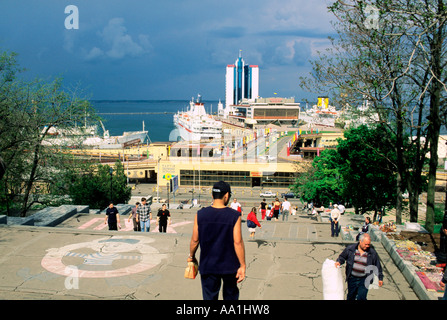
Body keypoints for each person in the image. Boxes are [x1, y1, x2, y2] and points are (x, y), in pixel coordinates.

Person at [188, 181, 246, 300]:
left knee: (209, 297)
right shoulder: (234, 216)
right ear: (226, 196)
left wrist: (191, 256)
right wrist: (242, 265)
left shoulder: (200, 214)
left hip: (208, 265)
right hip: (229, 267)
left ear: (212, 195)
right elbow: (238, 242)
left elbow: (195, 240)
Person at [335, 233, 383, 300]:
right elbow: (342, 257)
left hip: (364, 279)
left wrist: (380, 278)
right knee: (351, 296)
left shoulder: (372, 253)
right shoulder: (350, 249)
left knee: (361, 297)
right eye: (365, 244)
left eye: (368, 244)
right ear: (360, 241)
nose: (367, 246)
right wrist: (339, 261)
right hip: (352, 278)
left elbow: (377, 265)